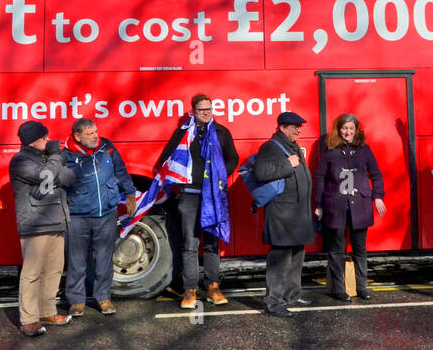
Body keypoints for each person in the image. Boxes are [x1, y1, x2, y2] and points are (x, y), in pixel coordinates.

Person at [155, 94, 239, 309]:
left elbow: (233, 159)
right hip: (189, 195)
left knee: (212, 243)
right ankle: (190, 290)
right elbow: (166, 159)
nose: (207, 112)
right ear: (193, 111)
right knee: (190, 244)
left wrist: (221, 174)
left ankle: (213, 287)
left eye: (209, 108)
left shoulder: (221, 133)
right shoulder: (184, 133)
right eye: (202, 109)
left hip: (213, 195)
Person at [63, 117, 138, 316]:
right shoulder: (66, 155)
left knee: (104, 258)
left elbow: (120, 171)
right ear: (77, 136)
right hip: (78, 215)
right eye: (90, 134)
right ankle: (76, 301)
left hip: (106, 213)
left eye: (96, 132)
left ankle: (103, 298)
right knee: (76, 259)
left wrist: (130, 194)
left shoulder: (107, 147)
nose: (96, 136)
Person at [8, 120, 77, 337]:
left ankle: (47, 311)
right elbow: (46, 175)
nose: (48, 141)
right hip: (36, 223)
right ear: (34, 140)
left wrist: (51, 176)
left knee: (54, 269)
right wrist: (56, 161)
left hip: (57, 219)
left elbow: (70, 177)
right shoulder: (20, 160)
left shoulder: (45, 159)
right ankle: (29, 319)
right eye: (45, 138)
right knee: (32, 273)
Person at [313, 113, 386, 300]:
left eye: (351, 129)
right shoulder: (329, 152)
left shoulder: (365, 150)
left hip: (360, 206)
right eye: (344, 128)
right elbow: (320, 179)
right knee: (336, 250)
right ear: (339, 130)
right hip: (335, 207)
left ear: (356, 130)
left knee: (360, 250)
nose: (347, 132)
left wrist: (378, 197)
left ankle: (362, 287)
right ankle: (339, 289)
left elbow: (377, 175)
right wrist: (319, 205)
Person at [252, 111, 314, 317]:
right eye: (294, 126)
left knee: (297, 256)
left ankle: (292, 295)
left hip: (297, 214)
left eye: (299, 126)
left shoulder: (292, 147)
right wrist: (288, 164)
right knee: (279, 260)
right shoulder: (270, 147)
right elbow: (261, 172)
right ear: (282, 127)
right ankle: (274, 303)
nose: (299, 129)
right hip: (282, 214)